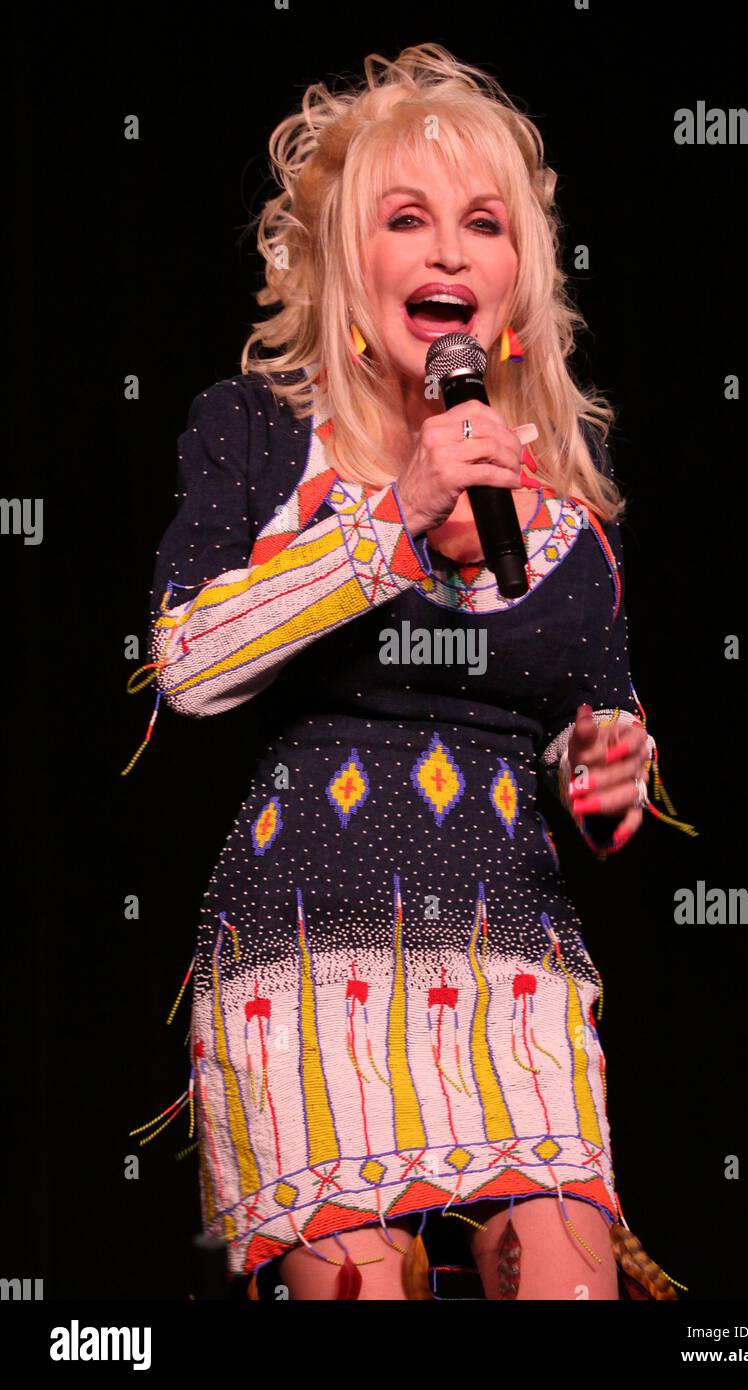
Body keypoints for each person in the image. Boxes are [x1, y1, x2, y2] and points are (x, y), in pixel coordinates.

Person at [127, 42, 693, 1301]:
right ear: (348, 266)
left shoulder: (565, 512)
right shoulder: (261, 433)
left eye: (481, 226)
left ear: (515, 278)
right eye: (407, 219)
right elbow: (186, 660)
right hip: (304, 962)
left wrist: (606, 774)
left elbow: (597, 739)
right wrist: (391, 518)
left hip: (515, 962)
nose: (447, 253)